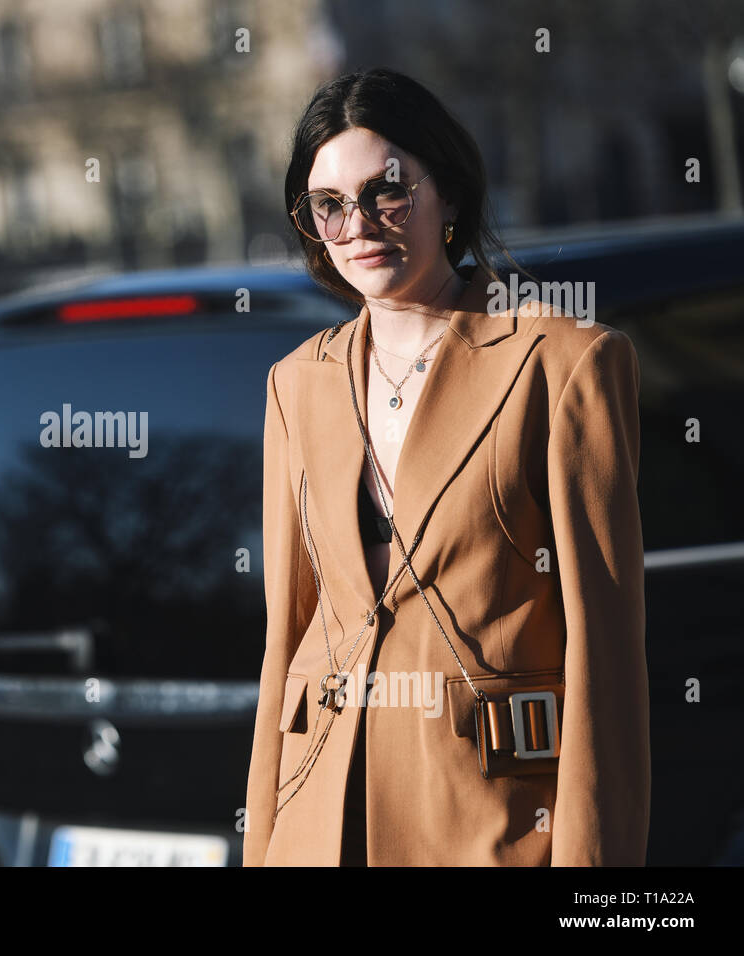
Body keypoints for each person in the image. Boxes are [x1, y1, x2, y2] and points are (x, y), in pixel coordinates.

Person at [243, 68, 650, 866]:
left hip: (491, 824)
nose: (358, 224)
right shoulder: (295, 386)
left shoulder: (565, 363)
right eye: (328, 205)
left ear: (450, 196)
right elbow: (286, 640)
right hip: (321, 823)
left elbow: (606, 658)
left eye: (386, 192)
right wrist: (263, 846)